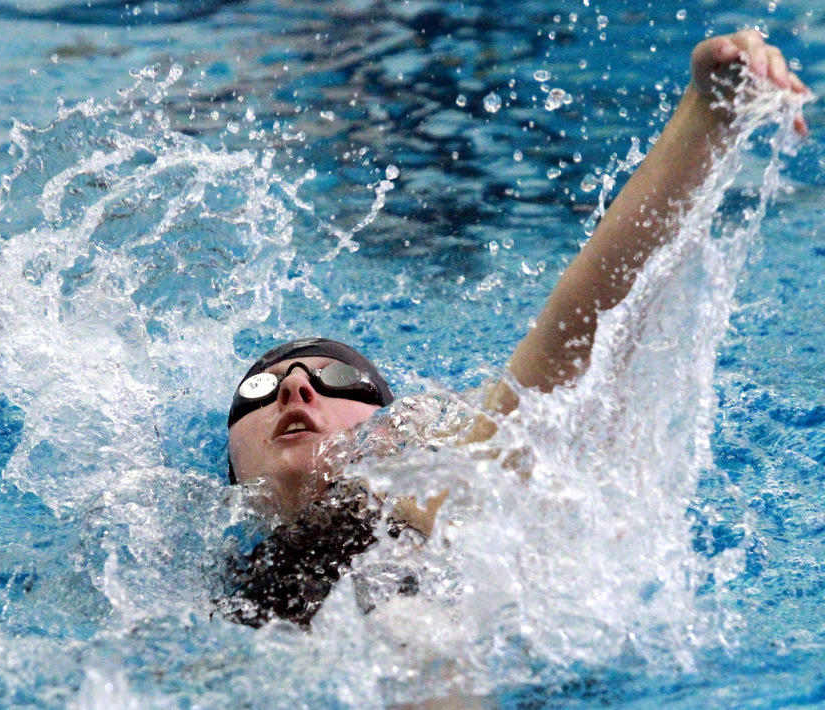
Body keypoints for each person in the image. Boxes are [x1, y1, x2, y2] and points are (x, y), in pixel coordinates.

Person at [220, 31, 811, 627]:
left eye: (337, 379)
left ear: (389, 432)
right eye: (258, 391)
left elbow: (579, 333)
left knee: (413, 633)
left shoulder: (438, 496)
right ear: (230, 463)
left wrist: (707, 112)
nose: (296, 389)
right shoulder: (174, 570)